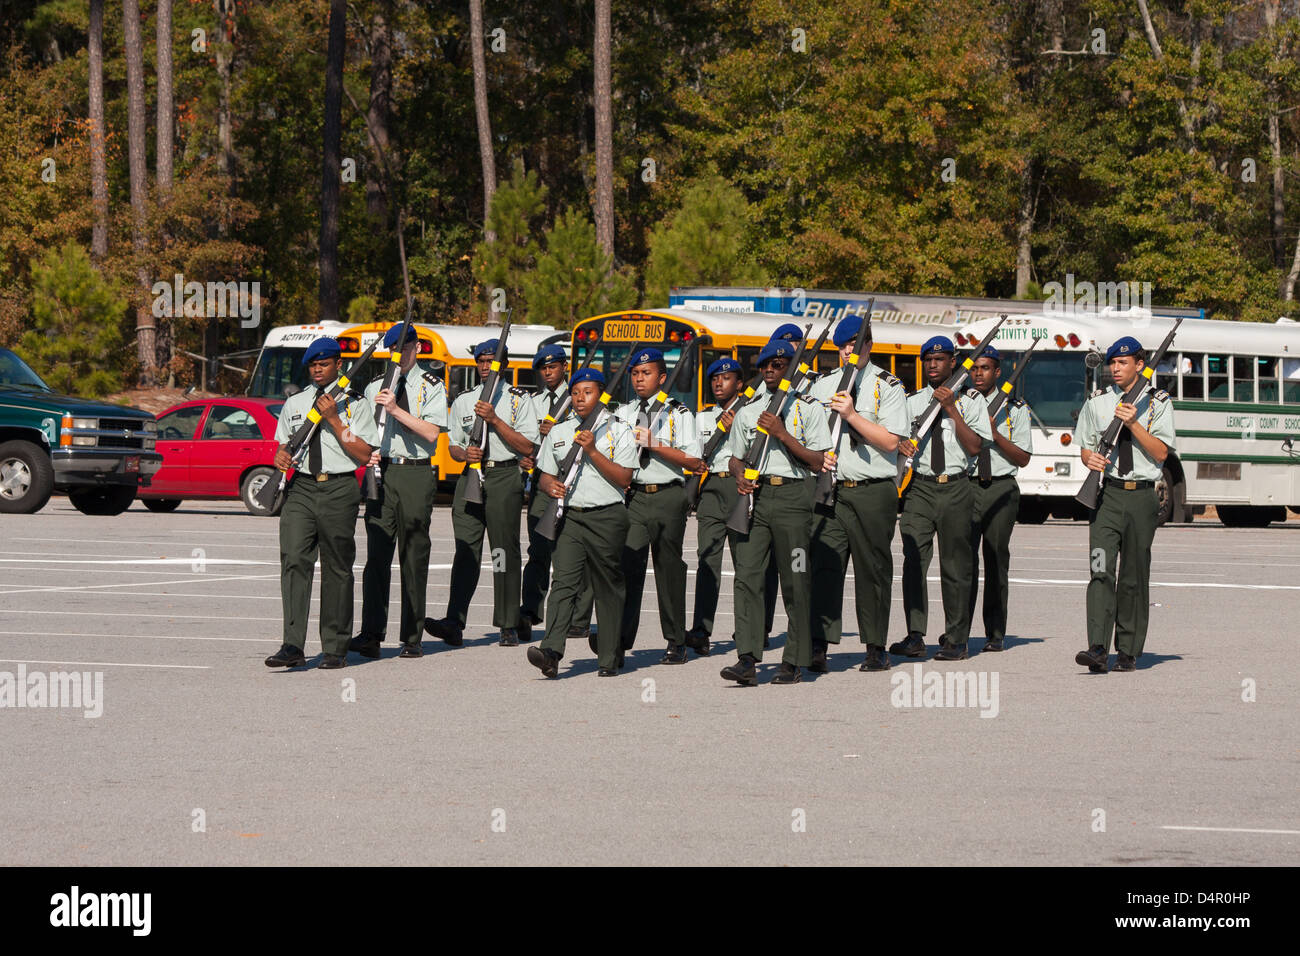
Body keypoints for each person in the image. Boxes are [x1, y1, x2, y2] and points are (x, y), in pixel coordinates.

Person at [720, 340, 831, 686]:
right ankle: (747, 658)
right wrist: (739, 476)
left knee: (795, 578)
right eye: (765, 365)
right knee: (748, 577)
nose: (769, 370)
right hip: (758, 498)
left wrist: (782, 434)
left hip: (795, 498)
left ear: (791, 369)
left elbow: (818, 461)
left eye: (778, 365)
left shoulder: (809, 408)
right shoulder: (749, 411)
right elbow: (734, 456)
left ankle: (794, 660)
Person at [264, 337, 378, 670]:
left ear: (338, 366)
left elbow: (363, 454)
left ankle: (335, 646)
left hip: (338, 488)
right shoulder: (295, 402)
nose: (317, 369)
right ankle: (292, 644)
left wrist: (334, 419)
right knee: (294, 560)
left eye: (324, 363)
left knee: (337, 567)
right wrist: (280, 456)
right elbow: (282, 445)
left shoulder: (354, 404)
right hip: (300, 489)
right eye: (313, 364)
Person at [807, 315, 909, 672]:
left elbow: (891, 441)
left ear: (869, 345)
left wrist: (851, 415)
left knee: (873, 571)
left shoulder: (887, 386)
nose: (849, 350)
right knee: (823, 566)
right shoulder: (822, 385)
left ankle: (875, 646)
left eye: (856, 343)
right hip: (831, 488)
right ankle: (818, 644)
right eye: (843, 345)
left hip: (871, 490)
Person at [425, 338, 538, 647]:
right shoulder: (464, 400)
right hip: (471, 477)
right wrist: (464, 455)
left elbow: (527, 446)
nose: (486, 366)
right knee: (465, 551)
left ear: (503, 364)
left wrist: (495, 420)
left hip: (503, 475)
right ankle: (454, 621)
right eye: (481, 361)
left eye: (491, 361)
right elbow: (454, 445)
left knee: (502, 552)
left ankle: (507, 622)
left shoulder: (518, 400)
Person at [1073, 335, 1176, 673]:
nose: (1115, 369)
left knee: (1133, 575)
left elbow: (1162, 453)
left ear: (1139, 365)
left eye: (1122, 363)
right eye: (1112, 363)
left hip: (1142, 496)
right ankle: (1097, 647)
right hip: (1107, 496)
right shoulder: (1097, 401)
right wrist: (1091, 460)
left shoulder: (1158, 403)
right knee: (1100, 568)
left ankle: (1128, 649)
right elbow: (1086, 446)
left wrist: (1132, 422)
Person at [527, 368, 637, 678]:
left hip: (607, 515)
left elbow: (624, 478)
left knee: (607, 586)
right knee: (564, 582)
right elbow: (544, 475)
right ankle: (551, 651)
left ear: (601, 395)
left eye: (586, 392)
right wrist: (550, 486)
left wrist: (591, 450)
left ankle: (609, 655)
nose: (579, 398)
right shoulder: (560, 432)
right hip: (571, 516)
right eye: (575, 392)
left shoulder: (619, 430)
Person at [891, 336, 992, 662]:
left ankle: (956, 638)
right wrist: (901, 445)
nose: (933, 364)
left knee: (956, 566)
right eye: (928, 359)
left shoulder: (971, 400)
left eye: (940, 359)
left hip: (956, 487)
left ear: (953, 363)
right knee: (914, 561)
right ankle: (915, 635)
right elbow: (896, 440)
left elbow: (975, 447)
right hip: (919, 487)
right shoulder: (911, 401)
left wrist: (950, 409)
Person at [349, 323, 447, 660]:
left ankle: (412, 636)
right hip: (381, 471)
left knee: (413, 555)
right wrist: (367, 450)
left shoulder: (431, 385)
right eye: (394, 349)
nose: (399, 355)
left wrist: (395, 410)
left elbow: (432, 433)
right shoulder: (375, 386)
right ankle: (371, 634)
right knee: (376, 555)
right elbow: (362, 431)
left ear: (416, 348)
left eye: (405, 348)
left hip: (414, 473)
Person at [614, 348, 707, 663]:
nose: (640, 379)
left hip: (668, 495)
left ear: (662, 378)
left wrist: (655, 444)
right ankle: (619, 639)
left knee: (668, 569)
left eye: (647, 374)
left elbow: (695, 461)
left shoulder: (678, 414)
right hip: (635, 496)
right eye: (636, 374)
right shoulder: (623, 414)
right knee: (628, 565)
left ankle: (675, 640)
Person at [966, 348, 1032, 653]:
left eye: (986, 368)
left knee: (995, 560)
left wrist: (995, 434)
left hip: (1000, 488)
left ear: (997, 372)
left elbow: (1023, 457)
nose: (979, 373)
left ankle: (995, 632)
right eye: (975, 368)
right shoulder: (961, 403)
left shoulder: (1015, 409)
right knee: (962, 563)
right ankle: (958, 631)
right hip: (965, 486)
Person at [519, 343, 569, 638]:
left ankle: (572, 615)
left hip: (571, 481)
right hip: (541, 481)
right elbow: (524, 438)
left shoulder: (578, 397)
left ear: (564, 367)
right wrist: (526, 456)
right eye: (543, 368)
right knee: (538, 550)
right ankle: (530, 611)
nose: (548, 372)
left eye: (553, 366)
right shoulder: (532, 402)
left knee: (569, 553)